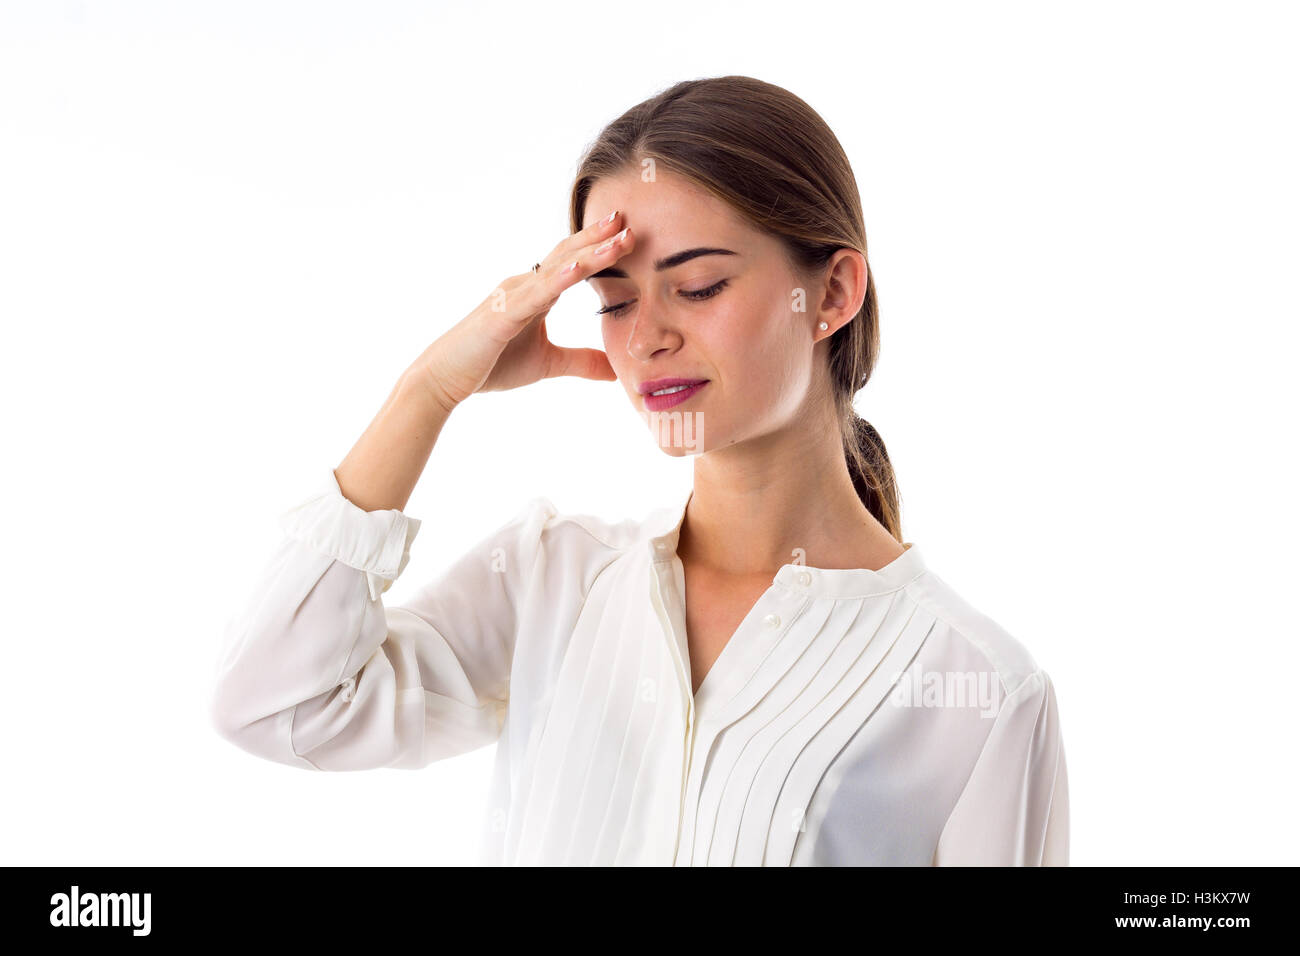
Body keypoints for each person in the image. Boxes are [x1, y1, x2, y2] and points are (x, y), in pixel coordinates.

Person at [210, 75, 1068, 866]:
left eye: (696, 286)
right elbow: (278, 704)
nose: (646, 336)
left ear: (834, 294)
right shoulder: (552, 581)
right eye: (614, 300)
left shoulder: (983, 693)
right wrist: (430, 390)